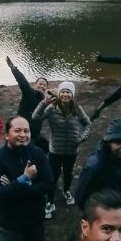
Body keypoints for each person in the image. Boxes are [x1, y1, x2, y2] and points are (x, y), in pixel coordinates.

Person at [32, 81, 91, 217]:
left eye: (68, 92)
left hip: (72, 150)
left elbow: (87, 124)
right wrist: (44, 103)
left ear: (72, 94)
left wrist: (83, 138)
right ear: (59, 93)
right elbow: (36, 117)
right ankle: (50, 201)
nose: (65, 94)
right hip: (55, 150)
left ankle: (66, 190)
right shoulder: (52, 108)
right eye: (63, 91)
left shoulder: (77, 109)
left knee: (68, 173)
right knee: (53, 176)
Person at [74, 118, 121, 228]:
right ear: (108, 143)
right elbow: (81, 197)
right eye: (118, 142)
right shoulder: (94, 167)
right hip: (103, 205)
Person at [5, 56, 50, 152]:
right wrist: (13, 68)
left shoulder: (45, 101)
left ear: (46, 88)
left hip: (35, 134)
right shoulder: (29, 93)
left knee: (46, 146)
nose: (41, 86)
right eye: (40, 83)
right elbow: (22, 81)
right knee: (26, 150)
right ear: (35, 85)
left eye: (44, 85)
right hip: (22, 131)